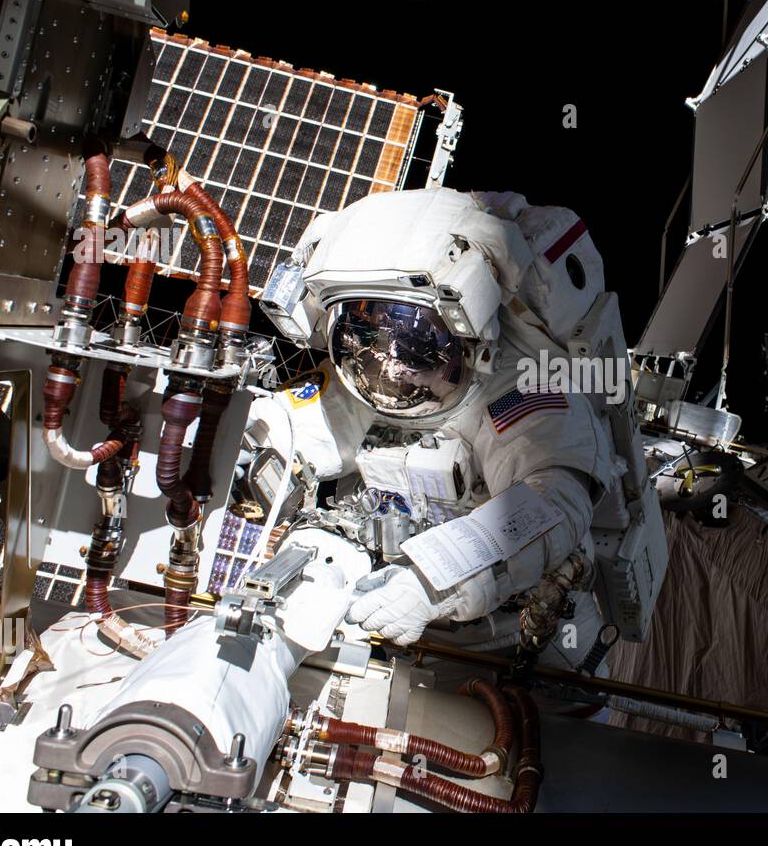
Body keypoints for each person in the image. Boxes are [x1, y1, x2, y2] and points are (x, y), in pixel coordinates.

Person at [250, 187, 653, 672]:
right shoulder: (364, 377)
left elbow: (553, 501)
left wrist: (432, 583)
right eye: (363, 333)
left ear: (465, 327)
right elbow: (293, 429)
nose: (390, 364)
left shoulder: (518, 388)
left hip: (522, 642)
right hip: (393, 621)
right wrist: (249, 451)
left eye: (414, 342)